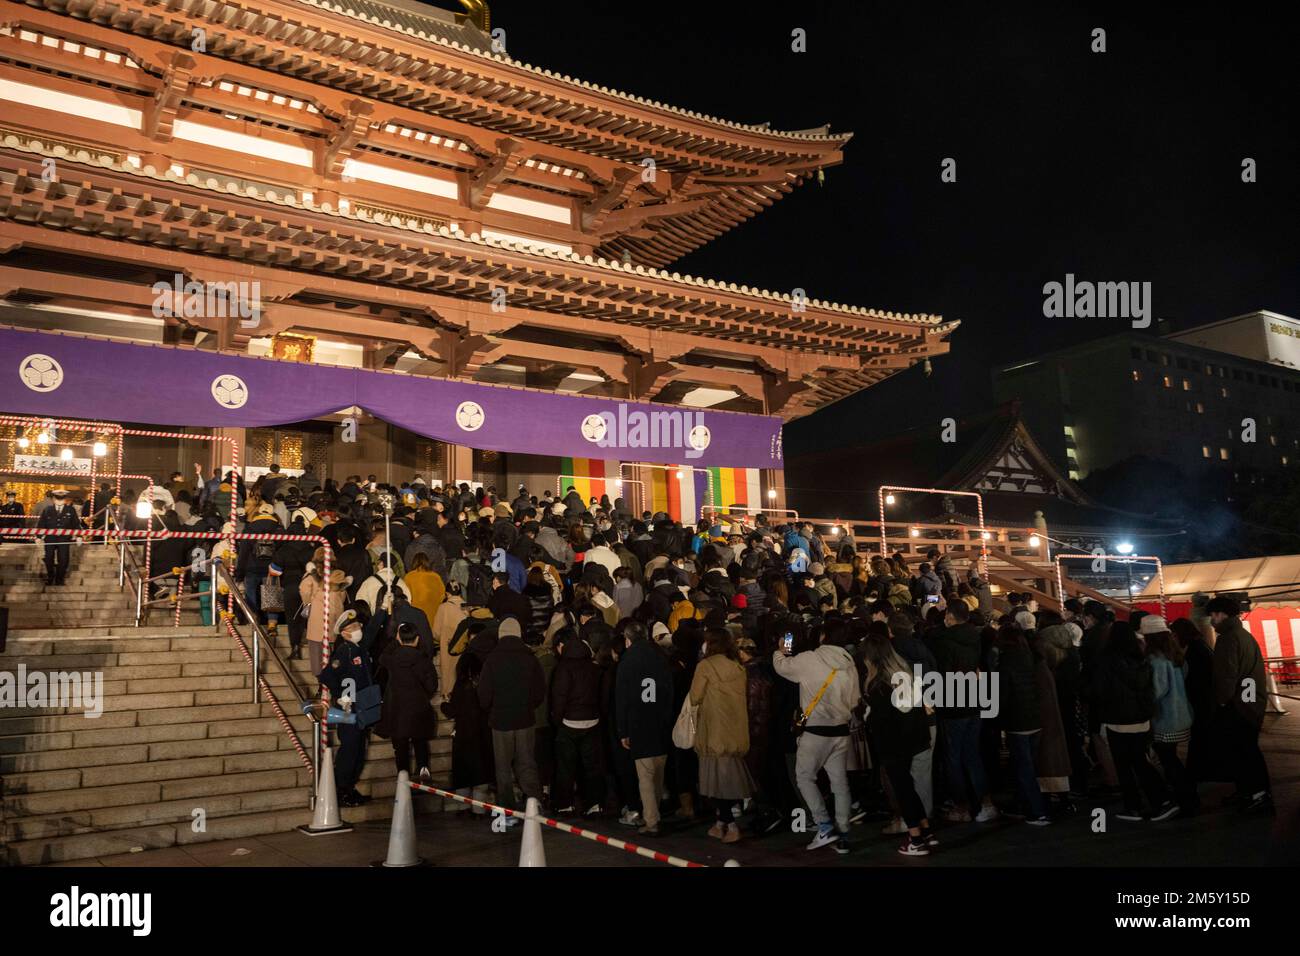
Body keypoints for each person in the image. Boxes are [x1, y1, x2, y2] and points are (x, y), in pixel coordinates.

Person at [772, 618, 861, 853]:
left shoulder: (810, 658)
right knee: (839, 782)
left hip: (816, 730)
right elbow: (854, 700)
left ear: (824, 636)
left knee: (803, 776)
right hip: (841, 730)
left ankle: (823, 825)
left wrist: (780, 651)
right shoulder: (848, 662)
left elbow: (782, 667)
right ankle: (843, 832)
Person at [859, 632, 937, 855]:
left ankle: (915, 839)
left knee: (902, 789)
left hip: (894, 743)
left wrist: (866, 715)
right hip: (916, 736)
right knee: (909, 787)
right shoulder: (903, 673)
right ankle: (926, 831)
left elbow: (880, 719)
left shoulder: (878, 684)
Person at [1092, 620, 1176, 822]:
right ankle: (1160, 799)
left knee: (1124, 765)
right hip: (1141, 717)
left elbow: (1099, 690)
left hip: (1117, 718)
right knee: (1140, 760)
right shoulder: (1142, 657)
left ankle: (1134, 806)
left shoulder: (1106, 660)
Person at [928, 601, 997, 822]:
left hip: (952, 702)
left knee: (953, 758)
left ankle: (961, 806)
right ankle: (985, 802)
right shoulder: (976, 637)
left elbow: (940, 672)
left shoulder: (943, 641)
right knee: (972, 754)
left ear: (949, 616)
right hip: (974, 700)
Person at [477, 617, 546, 823]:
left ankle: (507, 811)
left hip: (500, 721)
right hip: (525, 718)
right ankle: (535, 803)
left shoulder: (492, 659)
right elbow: (539, 691)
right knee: (527, 763)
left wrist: (491, 708)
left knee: (503, 768)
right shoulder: (530, 658)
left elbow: (484, 694)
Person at [1206, 596, 1272, 812]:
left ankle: (1256, 793)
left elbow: (1227, 676)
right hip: (1250, 702)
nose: (1212, 621)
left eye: (1213, 615)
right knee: (1246, 749)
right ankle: (1250, 790)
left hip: (1239, 706)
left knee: (1244, 751)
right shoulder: (1243, 635)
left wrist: (1222, 702)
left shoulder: (1228, 639)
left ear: (1222, 614)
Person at [690, 627, 754, 844]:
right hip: (735, 729)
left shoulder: (705, 666)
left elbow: (695, 697)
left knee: (716, 783)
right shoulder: (738, 667)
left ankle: (731, 826)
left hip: (714, 729)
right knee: (729, 780)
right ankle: (720, 824)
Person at [615, 619, 675, 836]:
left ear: (628, 639)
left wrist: (623, 730)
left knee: (646, 776)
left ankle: (651, 820)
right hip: (661, 721)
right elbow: (669, 690)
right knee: (658, 772)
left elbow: (621, 699)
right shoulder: (660, 656)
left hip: (639, 723)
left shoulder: (627, 660)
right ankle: (655, 812)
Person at [994, 623, 1052, 825]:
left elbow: (1001, 694)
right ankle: (1023, 804)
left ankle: (1038, 811)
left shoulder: (1005, 661)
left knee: (1024, 767)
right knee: (1029, 765)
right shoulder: (1031, 656)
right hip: (1035, 717)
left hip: (1017, 720)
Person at [317, 610, 373, 808]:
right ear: (343, 633)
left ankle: (350, 788)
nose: (358, 630)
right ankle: (341, 790)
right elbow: (326, 675)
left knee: (358, 749)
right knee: (349, 748)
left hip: (362, 707)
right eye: (352, 628)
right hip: (348, 709)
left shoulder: (358, 649)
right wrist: (341, 695)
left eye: (358, 626)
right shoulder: (344, 651)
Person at [1142, 617, 1197, 814]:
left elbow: (1157, 690)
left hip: (1165, 719)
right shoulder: (1176, 655)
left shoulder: (1156, 660)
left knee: (1169, 761)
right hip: (1182, 715)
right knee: (1171, 758)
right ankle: (1187, 796)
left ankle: (1186, 798)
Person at [440, 627, 496, 817]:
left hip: (463, 735)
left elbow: (452, 709)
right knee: (481, 772)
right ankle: (479, 808)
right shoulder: (484, 685)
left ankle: (464, 807)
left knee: (463, 773)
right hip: (483, 733)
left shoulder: (461, 687)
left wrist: (443, 705)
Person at [549, 626, 604, 816]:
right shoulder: (593, 666)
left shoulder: (563, 668)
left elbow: (559, 697)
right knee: (591, 767)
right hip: (592, 721)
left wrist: (557, 720)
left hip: (569, 722)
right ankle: (594, 804)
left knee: (566, 766)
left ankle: (565, 804)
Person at [376, 621, 439, 781]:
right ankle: (423, 767)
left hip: (397, 708)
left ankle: (403, 774)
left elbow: (382, 657)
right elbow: (432, 686)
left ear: (399, 638)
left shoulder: (392, 659)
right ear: (417, 639)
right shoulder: (423, 660)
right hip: (418, 706)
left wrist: (395, 642)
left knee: (400, 745)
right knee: (420, 740)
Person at [37, 489, 82, 586]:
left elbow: (76, 523)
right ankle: (50, 577)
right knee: (48, 558)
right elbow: (42, 523)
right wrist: (38, 536)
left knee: (64, 559)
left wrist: (78, 535)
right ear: (53, 499)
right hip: (50, 538)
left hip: (64, 538)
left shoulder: (70, 510)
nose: (59, 501)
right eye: (57, 498)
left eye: (62, 499)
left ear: (65, 499)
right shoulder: (48, 509)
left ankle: (59, 579)